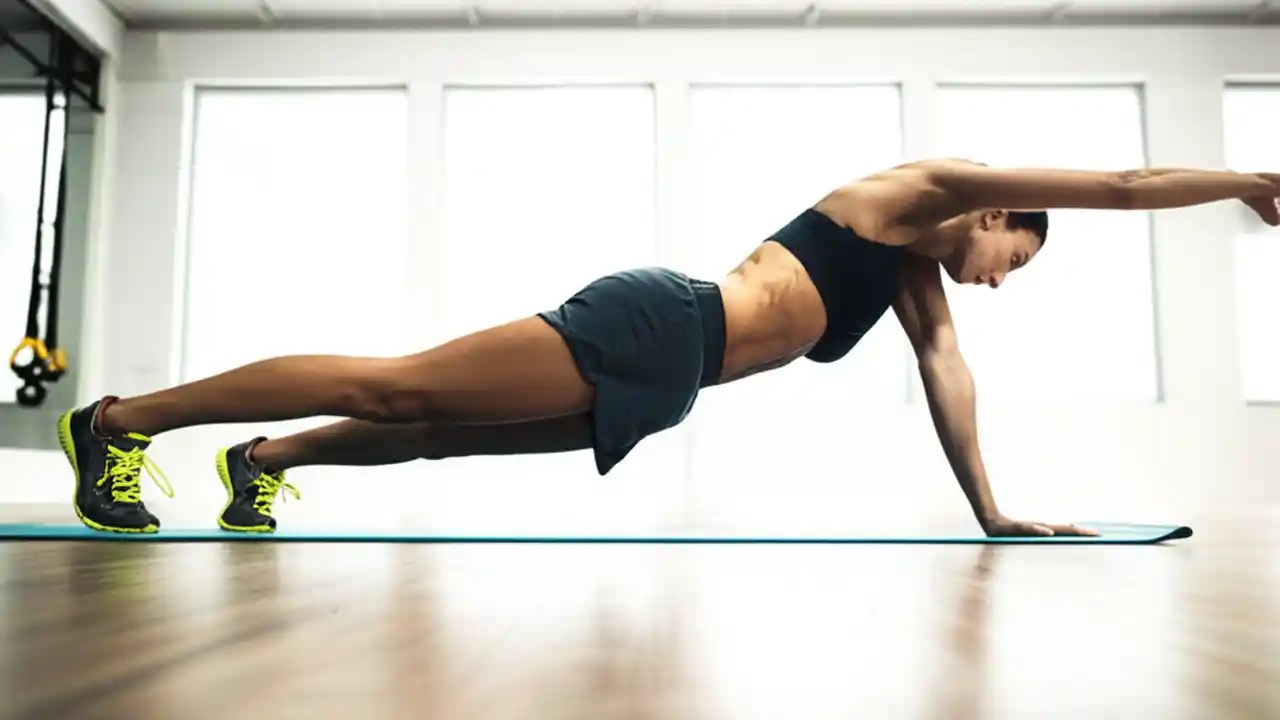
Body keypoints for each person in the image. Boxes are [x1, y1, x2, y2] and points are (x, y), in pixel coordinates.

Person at [57, 159, 1280, 537]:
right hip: (661, 319)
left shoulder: (914, 280)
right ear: (1003, 220)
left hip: (677, 376)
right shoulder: (924, 189)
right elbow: (1120, 183)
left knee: (427, 437)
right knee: (399, 383)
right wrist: (1245, 178)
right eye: (1016, 261)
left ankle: (264, 462)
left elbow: (945, 378)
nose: (998, 283)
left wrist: (991, 514)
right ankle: (120, 422)